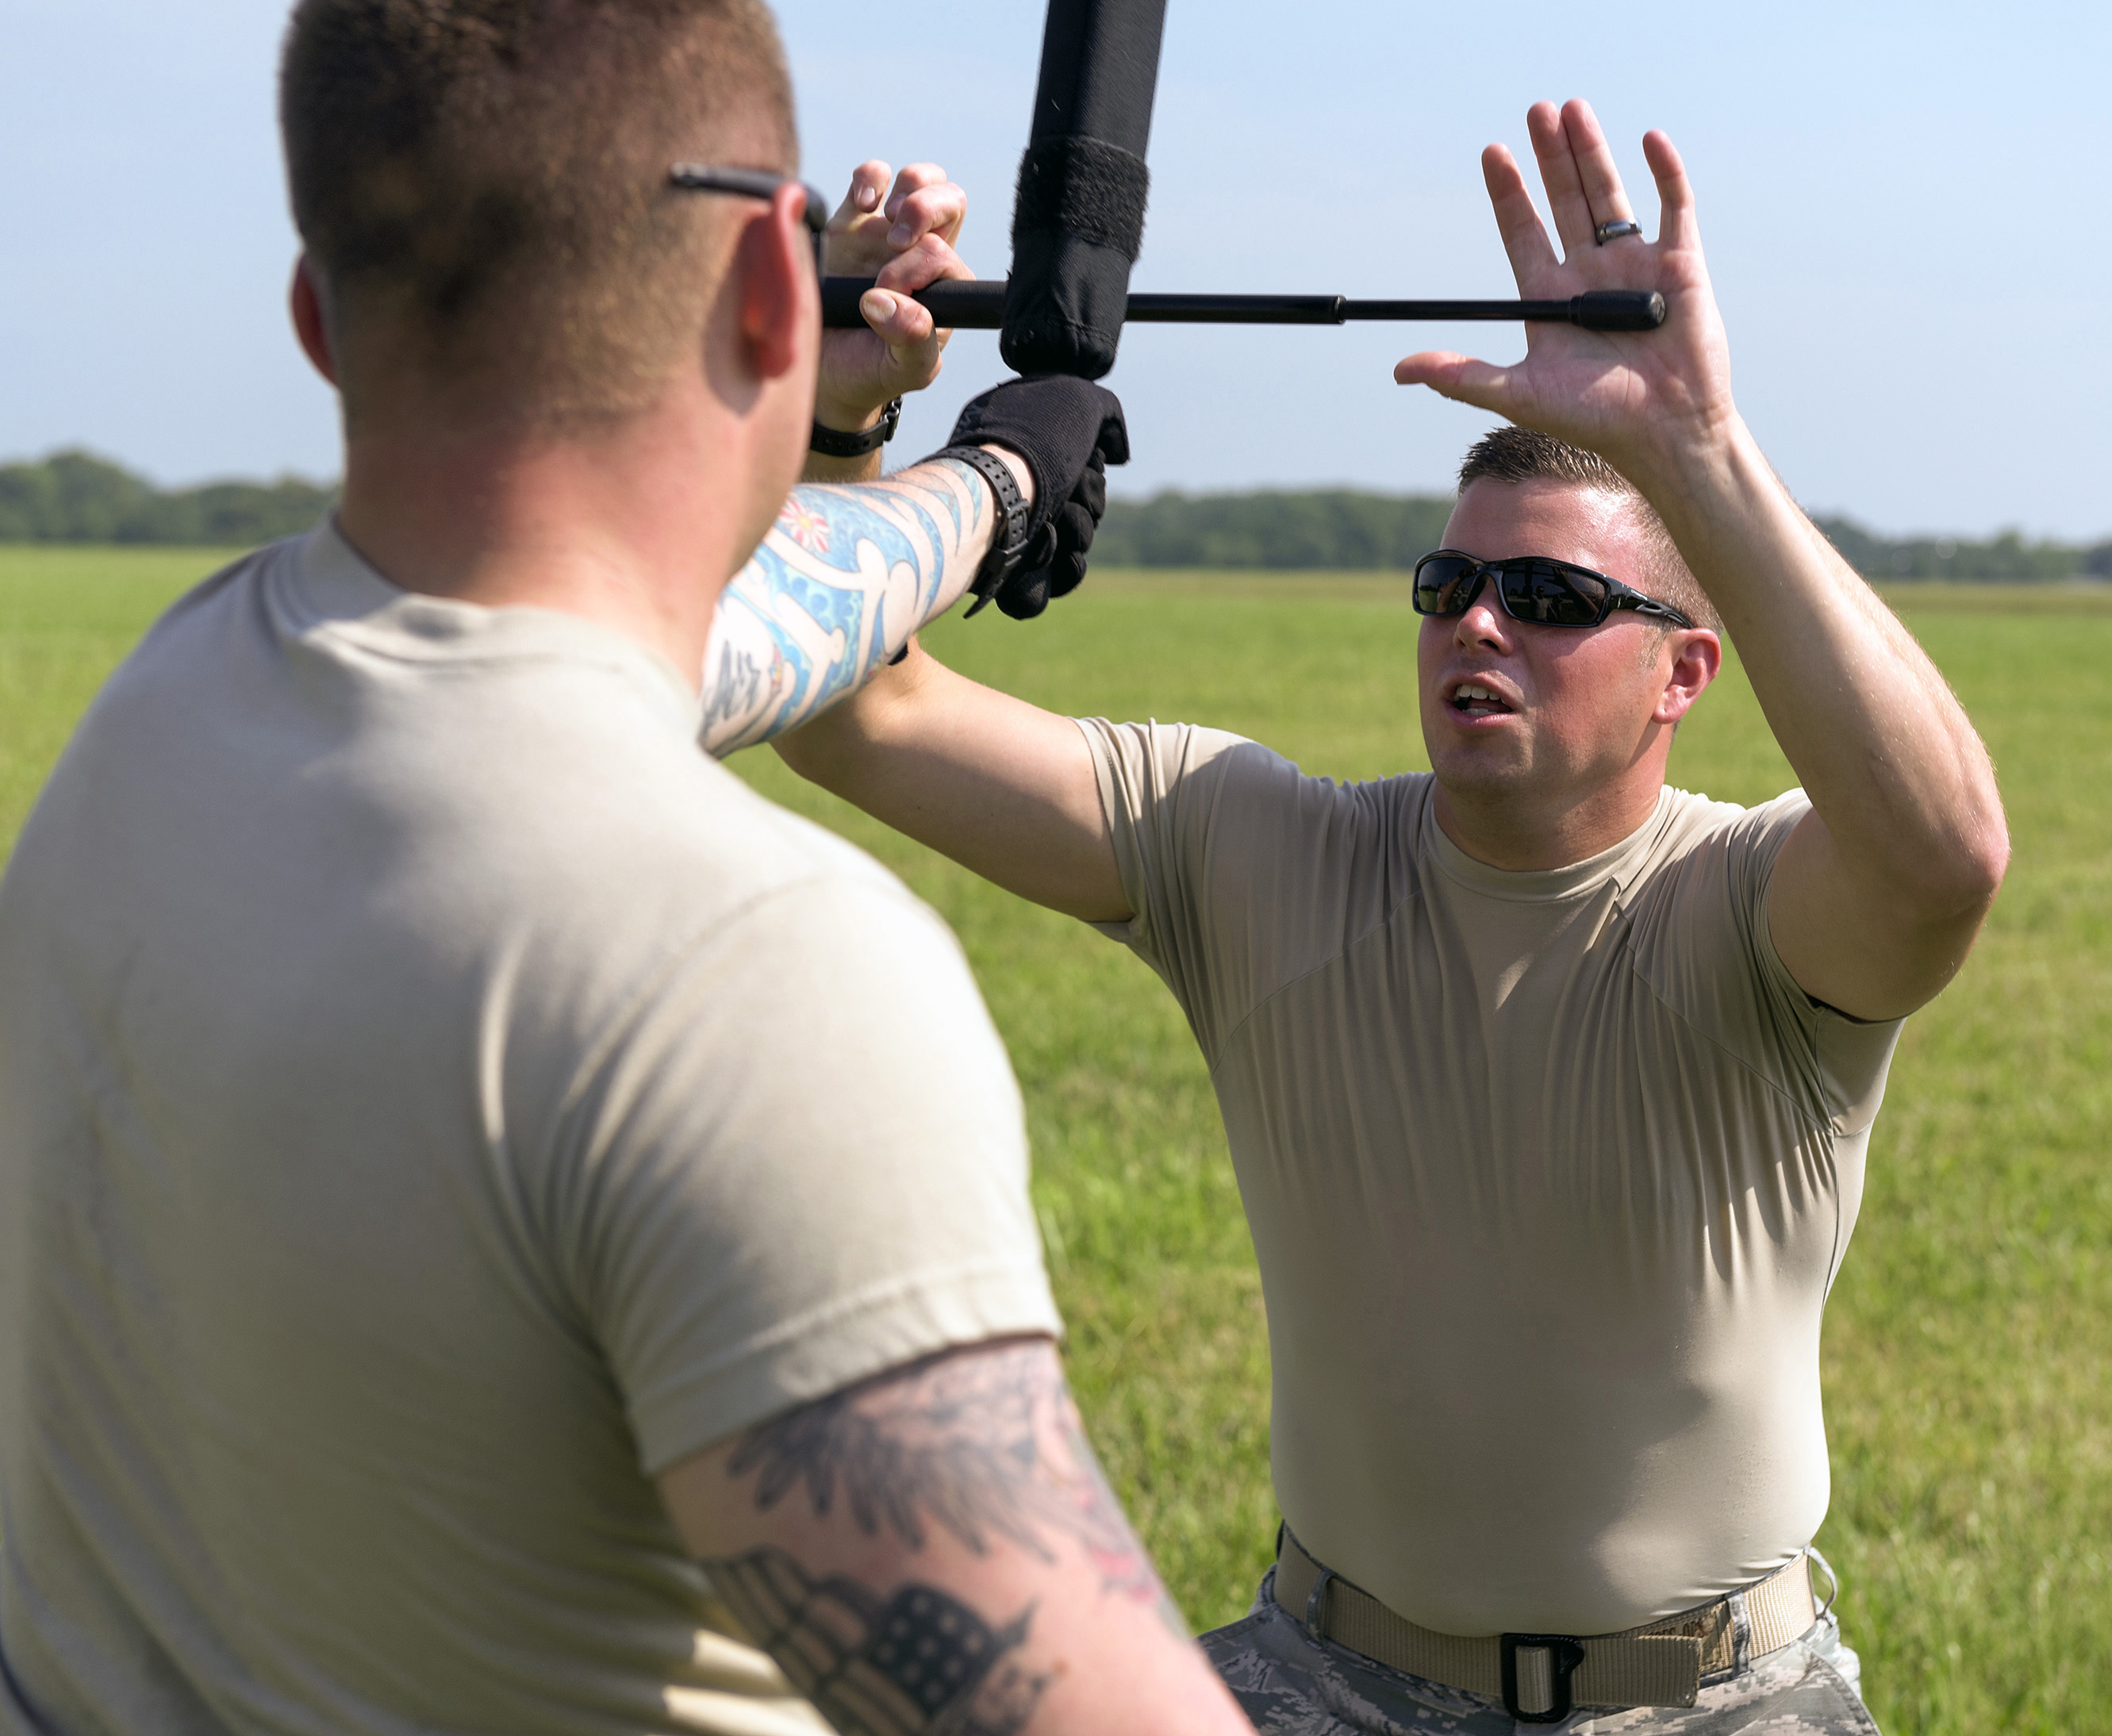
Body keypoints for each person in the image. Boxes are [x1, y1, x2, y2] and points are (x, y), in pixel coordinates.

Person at [0, 4, 1246, 1735]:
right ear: (770, 296)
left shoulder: (181, 697)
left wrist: (983, 478)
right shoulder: (750, 969)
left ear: (318, 320)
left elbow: (703, 633)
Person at [766, 98, 2011, 1734]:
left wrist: (1697, 447)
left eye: (1552, 599)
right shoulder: (1252, 845)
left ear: (1683, 674)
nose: (1481, 623)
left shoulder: (1749, 910)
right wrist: (839, 422)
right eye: (1451, 587)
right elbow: (859, 712)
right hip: (1322, 1677)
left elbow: (1943, 856)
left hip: (1718, 1703)